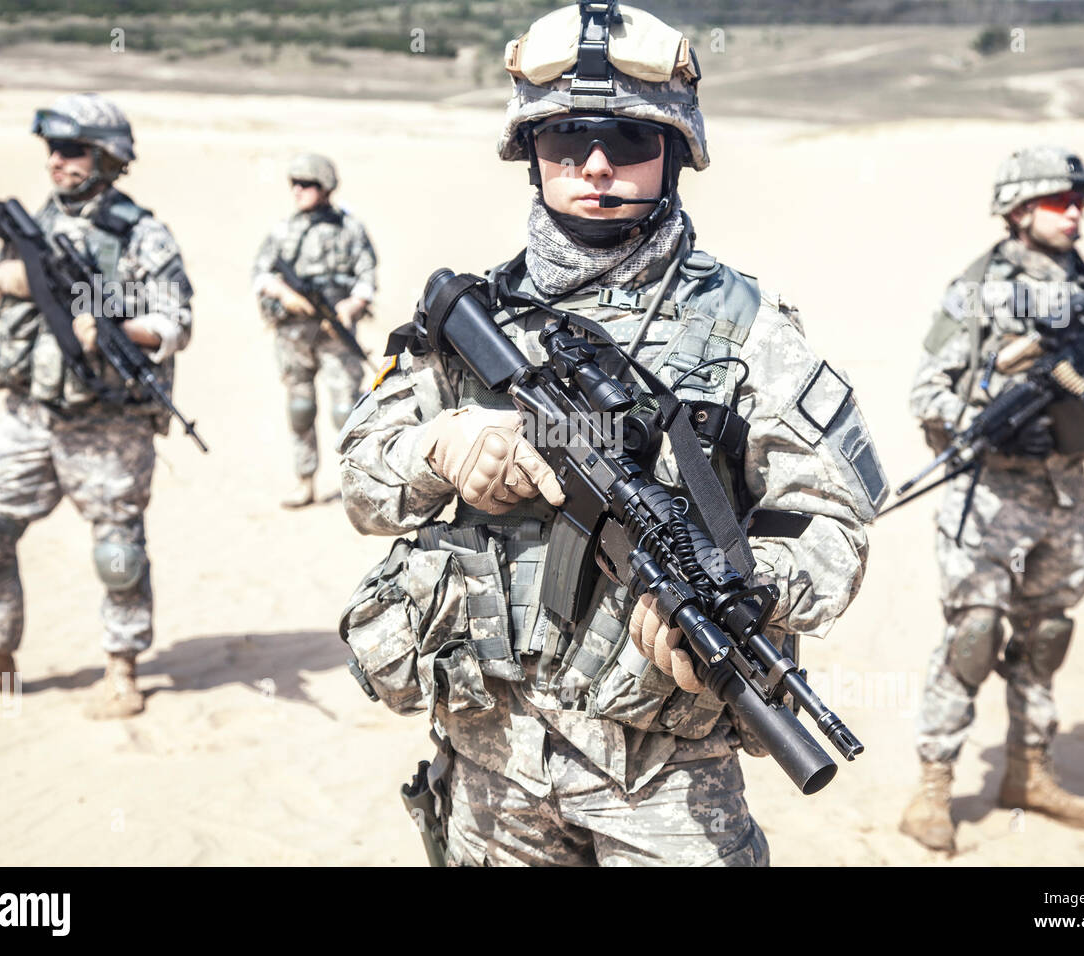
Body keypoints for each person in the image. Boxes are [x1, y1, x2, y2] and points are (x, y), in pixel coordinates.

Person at [337, 3, 887, 866]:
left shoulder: (747, 331)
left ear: (674, 154)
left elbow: (833, 528)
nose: (596, 164)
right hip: (491, 758)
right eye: (568, 140)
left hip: (666, 777)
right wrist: (439, 448)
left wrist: (749, 590)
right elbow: (361, 481)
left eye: (629, 142)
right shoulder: (476, 320)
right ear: (531, 154)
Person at [899, 145, 1084, 852]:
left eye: (1079, 200)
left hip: (1062, 495)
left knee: (1045, 636)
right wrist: (990, 418)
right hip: (988, 498)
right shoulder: (975, 291)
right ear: (1018, 209)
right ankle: (933, 785)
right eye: (1058, 200)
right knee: (973, 637)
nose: (1074, 211)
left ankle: (1029, 771)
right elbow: (925, 391)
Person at [0, 93, 195, 719]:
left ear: (108, 157)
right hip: (31, 416)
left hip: (108, 424)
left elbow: (175, 322)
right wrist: (10, 283)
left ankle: (122, 668)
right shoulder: (38, 223)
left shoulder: (142, 233)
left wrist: (119, 323)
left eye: (72, 149)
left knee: (118, 554)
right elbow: (3, 294)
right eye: (52, 150)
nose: (57, 162)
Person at [252, 154, 377, 509]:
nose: (298, 191)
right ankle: (304, 482)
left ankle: (355, 485)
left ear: (324, 187)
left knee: (345, 411)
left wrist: (350, 306)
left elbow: (367, 276)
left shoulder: (350, 229)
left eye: (306, 184)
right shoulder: (283, 230)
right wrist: (284, 295)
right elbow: (260, 274)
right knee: (301, 406)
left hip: (335, 333)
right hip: (294, 334)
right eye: (294, 184)